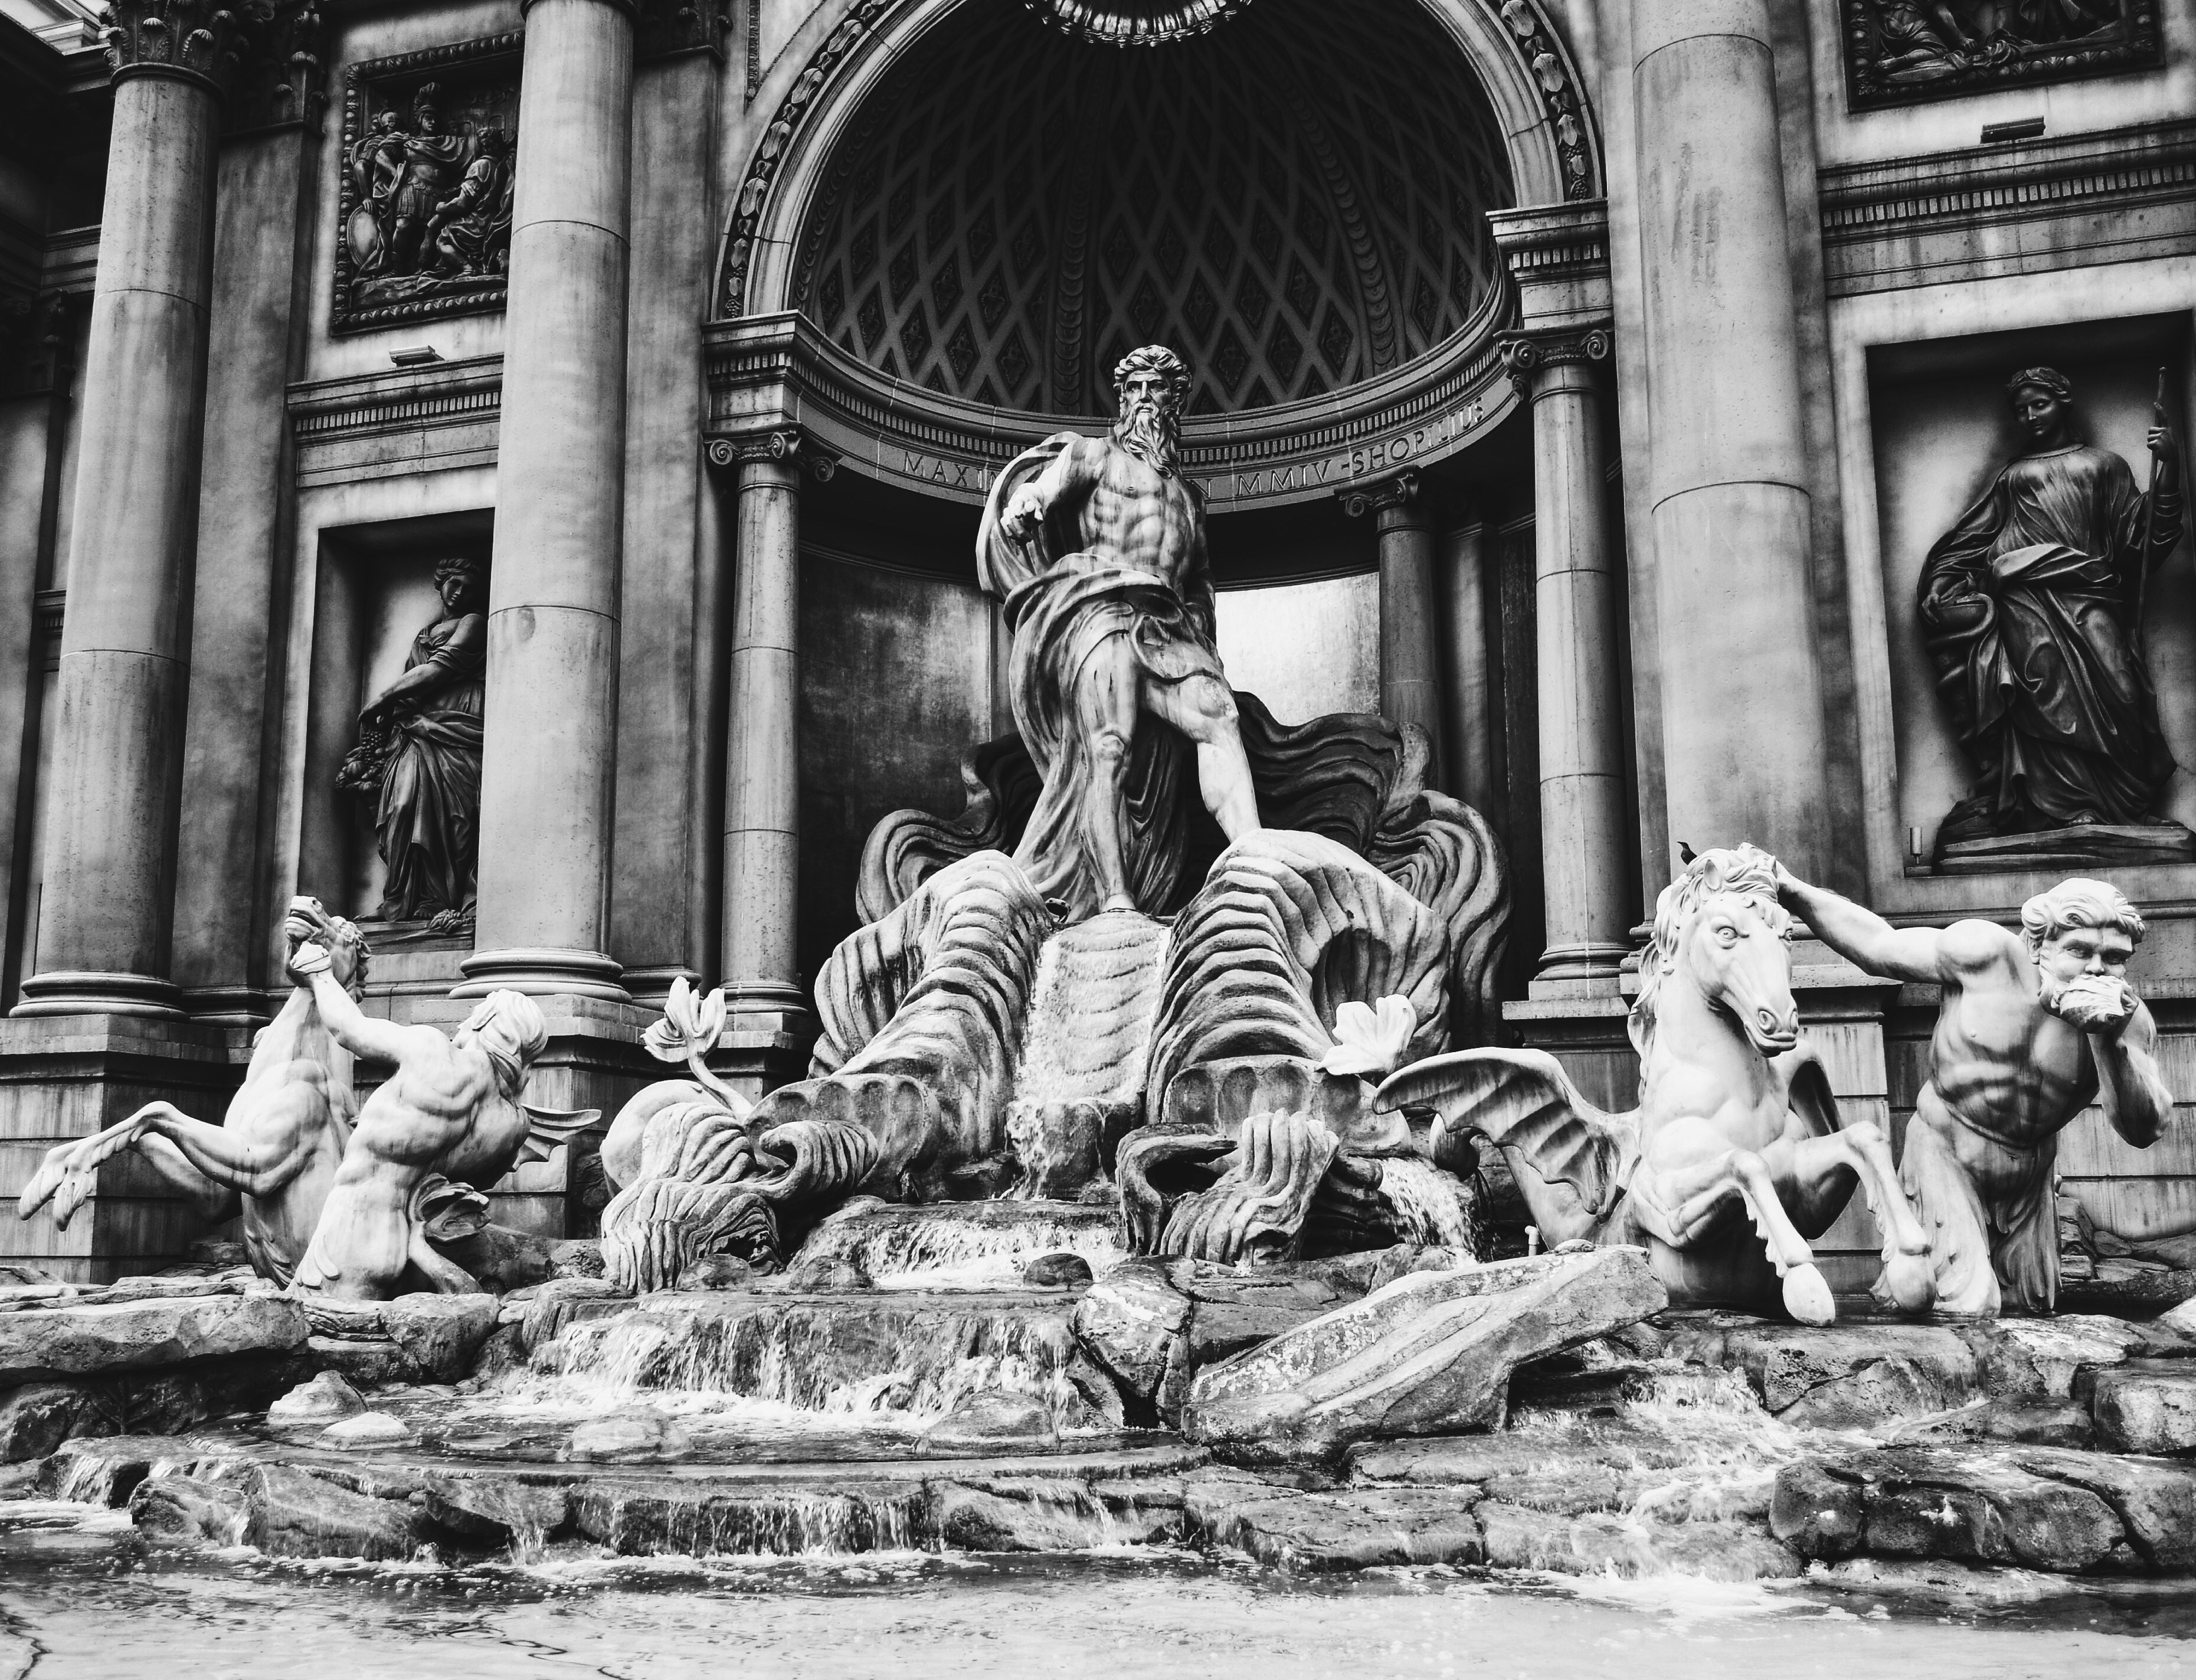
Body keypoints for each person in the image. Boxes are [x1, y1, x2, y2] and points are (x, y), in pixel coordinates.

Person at [1773, 863, 2173, 1312]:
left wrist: (2107, 1040)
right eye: (2079, 951)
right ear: (2039, 945)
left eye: (2113, 958)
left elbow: (2143, 1129)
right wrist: (1790, 890)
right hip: (1947, 1152)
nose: (2097, 969)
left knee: (2030, 1311)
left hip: (2031, 1176)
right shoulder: (1983, 955)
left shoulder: (2127, 1019)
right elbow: (1876, 946)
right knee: (1966, 1308)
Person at [977, 345, 1259, 918]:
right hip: (1100, 610)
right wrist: (1027, 503)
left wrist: (1202, 633)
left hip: (1167, 625)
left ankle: (1256, 862)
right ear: (1122, 398)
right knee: (1107, 749)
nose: (1146, 400)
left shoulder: (1187, 497)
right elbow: (1048, 488)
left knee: (1219, 716)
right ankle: (1114, 899)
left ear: (1176, 401)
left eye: (1158, 389)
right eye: (1135, 390)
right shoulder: (1094, 456)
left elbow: (1198, 579)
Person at [1918, 366, 2183, 857]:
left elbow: (2139, 539)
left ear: (2063, 402)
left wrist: (2169, 467)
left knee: (2121, 691)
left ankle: (2119, 807)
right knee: (2043, 691)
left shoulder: (2105, 466)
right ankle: (2060, 810)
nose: (2029, 415)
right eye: (2021, 408)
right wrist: (1941, 582)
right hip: (2025, 600)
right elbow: (1967, 543)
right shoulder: (2011, 478)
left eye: (2038, 404)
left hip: (2091, 596)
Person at [284, 951, 553, 1299]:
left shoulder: (432, 1051)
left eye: (470, 1015)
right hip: (423, 1256)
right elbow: (466, 1189)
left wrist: (320, 973)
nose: (461, 1025)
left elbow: (348, 1029)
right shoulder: (515, 1124)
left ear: (485, 1024)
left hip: (352, 1239)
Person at [356, 555, 486, 927]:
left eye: (469, 588)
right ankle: (401, 897)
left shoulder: (474, 623)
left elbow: (438, 671)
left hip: (457, 729)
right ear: (440, 583)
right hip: (415, 731)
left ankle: (441, 899)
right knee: (403, 804)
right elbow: (415, 680)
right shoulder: (425, 631)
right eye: (454, 584)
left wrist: (382, 698)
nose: (459, 593)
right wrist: (392, 714)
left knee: (456, 817)